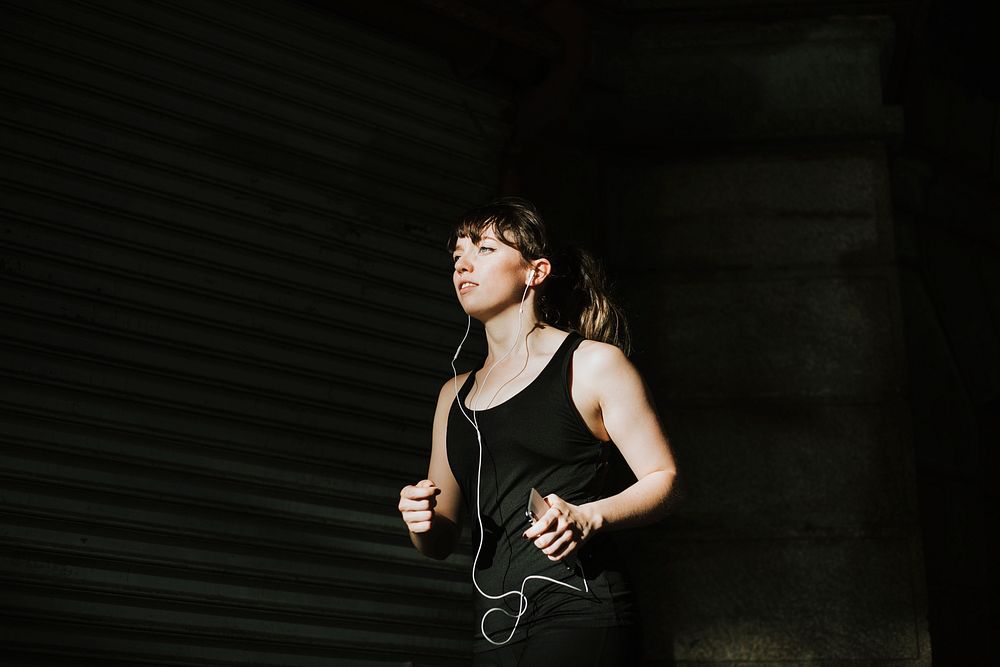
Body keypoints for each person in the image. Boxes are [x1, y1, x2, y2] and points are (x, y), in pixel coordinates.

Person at [397, 197, 677, 666]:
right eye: (456, 255)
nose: (463, 263)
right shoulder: (453, 396)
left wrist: (591, 516)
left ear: (536, 271)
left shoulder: (591, 364)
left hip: (581, 608)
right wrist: (418, 521)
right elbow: (440, 540)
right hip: (495, 627)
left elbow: (666, 480)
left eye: (484, 249)